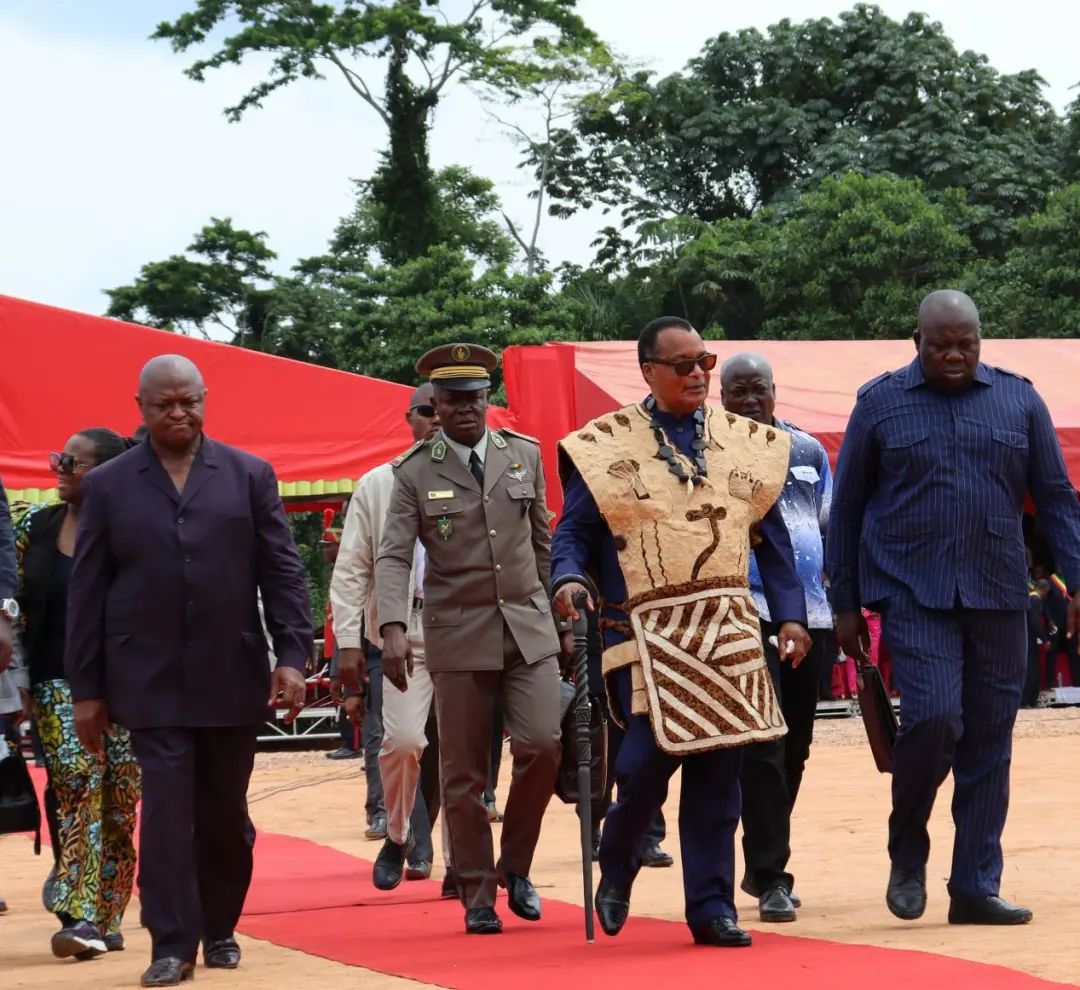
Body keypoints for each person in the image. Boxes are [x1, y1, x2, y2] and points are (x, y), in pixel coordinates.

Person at [551, 317, 810, 948]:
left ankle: (711, 907)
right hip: (640, 633)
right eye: (683, 365)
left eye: (705, 362)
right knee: (641, 767)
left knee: (721, 777)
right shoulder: (606, 447)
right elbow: (575, 533)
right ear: (648, 373)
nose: (698, 374)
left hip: (726, 629)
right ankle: (617, 867)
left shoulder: (747, 444)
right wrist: (566, 578)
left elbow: (772, 544)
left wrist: (794, 615)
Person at [827, 289, 1080, 926]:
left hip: (998, 591)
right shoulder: (879, 403)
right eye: (940, 345)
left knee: (991, 740)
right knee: (935, 717)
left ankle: (973, 885)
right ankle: (908, 849)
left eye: (965, 344)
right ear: (917, 342)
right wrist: (846, 602)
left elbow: (1056, 498)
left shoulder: (1019, 400)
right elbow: (849, 508)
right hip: (912, 589)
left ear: (980, 340)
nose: (953, 355)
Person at [65, 355, 313, 987]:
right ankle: (171, 944)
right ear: (141, 407)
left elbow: (281, 570)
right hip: (144, 679)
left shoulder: (249, 474)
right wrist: (86, 691)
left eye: (188, 401)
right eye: (163, 405)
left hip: (230, 671)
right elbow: (87, 593)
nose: (178, 413)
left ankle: (221, 923)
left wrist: (290, 656)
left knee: (225, 812)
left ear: (205, 399)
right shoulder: (110, 485)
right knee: (169, 811)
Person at [374, 343, 563, 935]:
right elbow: (394, 556)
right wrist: (392, 628)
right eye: (451, 400)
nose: (463, 409)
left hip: (528, 630)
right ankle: (478, 893)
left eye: (474, 399)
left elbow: (543, 540)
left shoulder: (523, 456)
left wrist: (562, 607)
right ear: (435, 402)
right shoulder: (413, 472)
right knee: (463, 774)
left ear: (489, 401)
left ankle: (517, 867)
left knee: (543, 745)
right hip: (458, 635)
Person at [13, 430, 141, 960]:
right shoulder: (34, 527)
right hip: (56, 681)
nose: (59, 468)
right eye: (57, 457)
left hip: (129, 685)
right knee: (76, 783)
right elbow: (12, 599)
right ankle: (78, 911)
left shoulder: (133, 531)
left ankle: (107, 914)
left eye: (72, 461)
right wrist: (16, 679)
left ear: (107, 473)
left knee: (122, 800)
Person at [720, 352, 832, 923]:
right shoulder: (710, 453)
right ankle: (771, 877)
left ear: (773, 391)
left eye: (756, 389)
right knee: (764, 745)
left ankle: (762, 847)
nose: (748, 400)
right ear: (721, 396)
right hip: (744, 613)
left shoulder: (810, 450)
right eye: (736, 391)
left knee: (795, 748)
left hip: (812, 614)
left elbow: (829, 523)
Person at [332, 384, 448, 889]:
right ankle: (398, 835)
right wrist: (349, 642)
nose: (439, 418)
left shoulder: (484, 476)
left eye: (449, 408)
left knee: (462, 756)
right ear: (411, 418)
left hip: (467, 630)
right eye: (428, 410)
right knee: (403, 743)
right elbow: (352, 568)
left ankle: (464, 865)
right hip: (400, 632)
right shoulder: (377, 485)